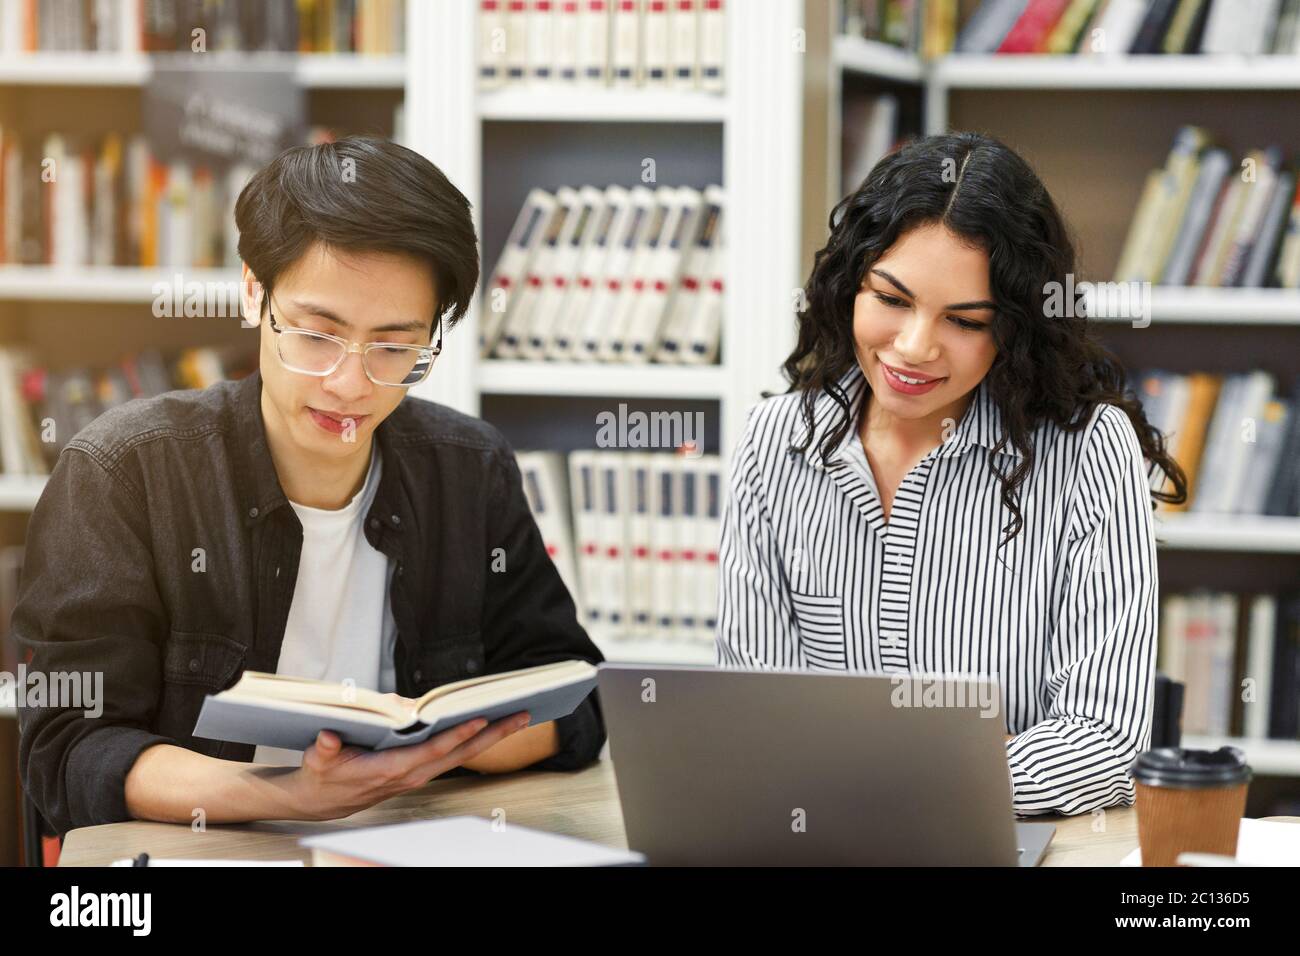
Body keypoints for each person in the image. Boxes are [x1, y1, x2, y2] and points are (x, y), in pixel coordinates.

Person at [15, 136, 605, 836]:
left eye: (394, 346)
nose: (350, 384)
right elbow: (69, 749)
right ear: (252, 292)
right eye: (317, 334)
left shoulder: (468, 469)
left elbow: (576, 700)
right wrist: (291, 795)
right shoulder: (124, 472)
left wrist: (442, 744)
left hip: (404, 843)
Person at [716, 132, 1186, 816]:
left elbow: (1106, 738)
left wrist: (901, 790)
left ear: (1015, 329)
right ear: (851, 285)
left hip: (997, 840)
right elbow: (753, 719)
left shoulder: (1089, 453)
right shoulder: (773, 447)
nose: (914, 348)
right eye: (892, 298)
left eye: (964, 321)